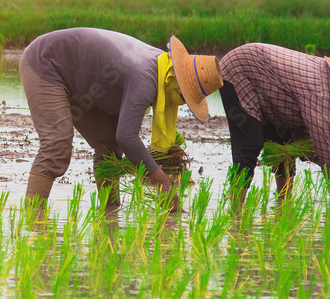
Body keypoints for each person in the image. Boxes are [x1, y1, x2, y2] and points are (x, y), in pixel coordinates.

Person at [19, 28, 223, 212]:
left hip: (81, 82)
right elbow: (127, 136)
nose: (181, 103)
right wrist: (163, 183)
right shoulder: (146, 76)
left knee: (109, 149)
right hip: (46, 63)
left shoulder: (161, 66)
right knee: (57, 145)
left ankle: (110, 214)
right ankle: (33, 219)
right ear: (176, 83)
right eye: (184, 97)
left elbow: (120, 138)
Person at [218, 43, 330, 204]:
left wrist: (309, 153)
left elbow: (303, 134)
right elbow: (324, 147)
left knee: (284, 144)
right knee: (250, 145)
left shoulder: (325, 81)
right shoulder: (321, 93)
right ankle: (236, 211)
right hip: (238, 71)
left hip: (265, 84)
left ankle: (283, 205)